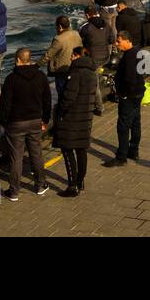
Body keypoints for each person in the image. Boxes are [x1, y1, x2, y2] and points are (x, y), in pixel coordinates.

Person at [0, 47, 52, 200]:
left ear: (18, 60)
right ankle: (40, 185)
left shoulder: (11, 79)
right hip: (35, 121)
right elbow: (47, 100)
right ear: (29, 59)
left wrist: (4, 122)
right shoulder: (40, 76)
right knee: (36, 154)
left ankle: (14, 191)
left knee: (16, 158)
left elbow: (5, 104)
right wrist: (45, 119)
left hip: (16, 123)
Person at [54, 47, 96, 197]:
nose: (70, 58)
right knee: (81, 149)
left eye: (72, 55)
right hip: (85, 117)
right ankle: (80, 181)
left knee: (67, 149)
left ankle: (72, 186)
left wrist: (59, 111)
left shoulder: (75, 73)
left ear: (78, 56)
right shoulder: (92, 73)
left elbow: (68, 97)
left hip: (72, 118)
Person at [104, 30, 146, 166]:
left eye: (119, 41)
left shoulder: (129, 57)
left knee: (123, 126)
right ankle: (134, 150)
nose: (117, 44)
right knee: (135, 122)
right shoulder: (139, 52)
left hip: (129, 96)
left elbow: (128, 79)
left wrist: (121, 93)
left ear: (128, 41)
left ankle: (121, 156)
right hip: (139, 93)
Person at [79, 5, 111, 115]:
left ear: (87, 15)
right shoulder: (106, 24)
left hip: (93, 59)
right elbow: (111, 39)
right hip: (106, 57)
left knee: (94, 84)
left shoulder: (86, 27)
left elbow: (80, 42)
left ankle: (99, 107)